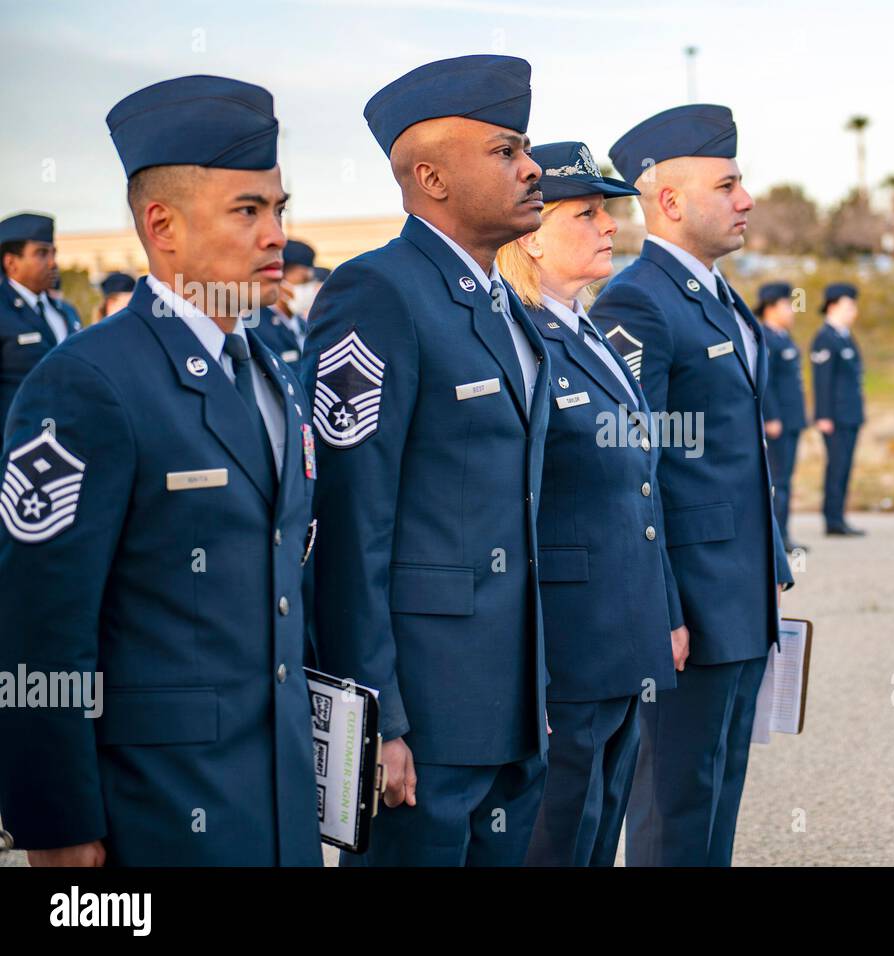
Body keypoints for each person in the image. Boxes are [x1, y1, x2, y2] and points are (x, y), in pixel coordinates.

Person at [0, 75, 322, 866]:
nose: (274, 234)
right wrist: (58, 823)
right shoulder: (89, 382)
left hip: (271, 795)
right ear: (162, 224)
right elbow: (39, 627)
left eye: (278, 209)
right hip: (159, 809)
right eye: (247, 210)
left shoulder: (263, 370)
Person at [302, 54, 552, 867]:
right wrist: (377, 719)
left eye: (525, 148)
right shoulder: (379, 291)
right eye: (506, 151)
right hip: (426, 711)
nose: (532, 167)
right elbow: (349, 522)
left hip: (511, 702)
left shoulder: (502, 301)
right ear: (432, 178)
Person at [591, 104, 793, 867]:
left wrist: (770, 566)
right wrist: (662, 609)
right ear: (670, 201)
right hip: (690, 610)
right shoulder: (638, 300)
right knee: (674, 808)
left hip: (739, 595)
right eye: (729, 184)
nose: (746, 200)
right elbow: (635, 470)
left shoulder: (717, 294)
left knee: (716, 794)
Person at [495, 141, 682, 866]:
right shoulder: (520, 335)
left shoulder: (589, 330)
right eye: (586, 213)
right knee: (559, 834)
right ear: (531, 237)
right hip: (566, 647)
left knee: (599, 830)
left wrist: (661, 610)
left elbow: (641, 490)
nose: (610, 226)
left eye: (608, 212)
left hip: (619, 637)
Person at [0, 213, 82, 426]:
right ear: (11, 262)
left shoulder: (66, 312)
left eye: (54, 253)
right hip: (16, 444)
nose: (53, 263)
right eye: (41, 253)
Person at [756, 281, 807, 552]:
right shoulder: (765, 339)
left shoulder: (784, 337)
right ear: (771, 307)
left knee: (786, 479)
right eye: (787, 305)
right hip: (778, 422)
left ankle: (784, 534)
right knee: (778, 481)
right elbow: (766, 381)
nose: (792, 311)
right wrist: (771, 417)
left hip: (791, 419)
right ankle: (777, 538)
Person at [811, 282, 865, 536]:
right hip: (834, 417)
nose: (853, 311)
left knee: (844, 468)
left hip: (850, 415)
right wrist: (823, 415)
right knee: (836, 467)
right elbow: (822, 381)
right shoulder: (825, 338)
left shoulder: (845, 337)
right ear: (832, 307)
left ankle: (839, 516)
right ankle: (832, 519)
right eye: (848, 306)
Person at [252, 238, 316, 370]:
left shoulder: (304, 325)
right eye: (303, 281)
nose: (308, 288)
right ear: (279, 280)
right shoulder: (256, 328)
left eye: (310, 281)